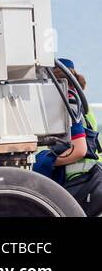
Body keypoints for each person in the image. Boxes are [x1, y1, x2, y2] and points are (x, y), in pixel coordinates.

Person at [33, 57, 101, 214]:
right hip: (92, 178)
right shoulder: (81, 104)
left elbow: (79, 150)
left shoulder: (70, 104)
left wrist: (47, 161)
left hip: (79, 181)